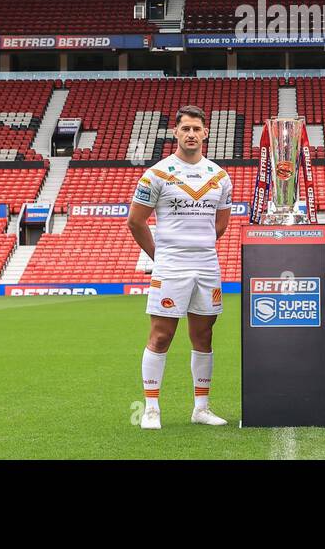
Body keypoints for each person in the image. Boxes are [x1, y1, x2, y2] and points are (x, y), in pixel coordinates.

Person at [126, 105, 233, 430]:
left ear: (205, 133)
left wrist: (197, 247)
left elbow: (220, 225)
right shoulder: (157, 173)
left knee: (204, 335)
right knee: (161, 335)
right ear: (176, 132)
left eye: (196, 129)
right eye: (185, 128)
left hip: (206, 265)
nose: (190, 134)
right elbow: (136, 221)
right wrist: (162, 256)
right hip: (171, 266)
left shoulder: (219, 177)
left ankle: (201, 407)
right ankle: (151, 409)